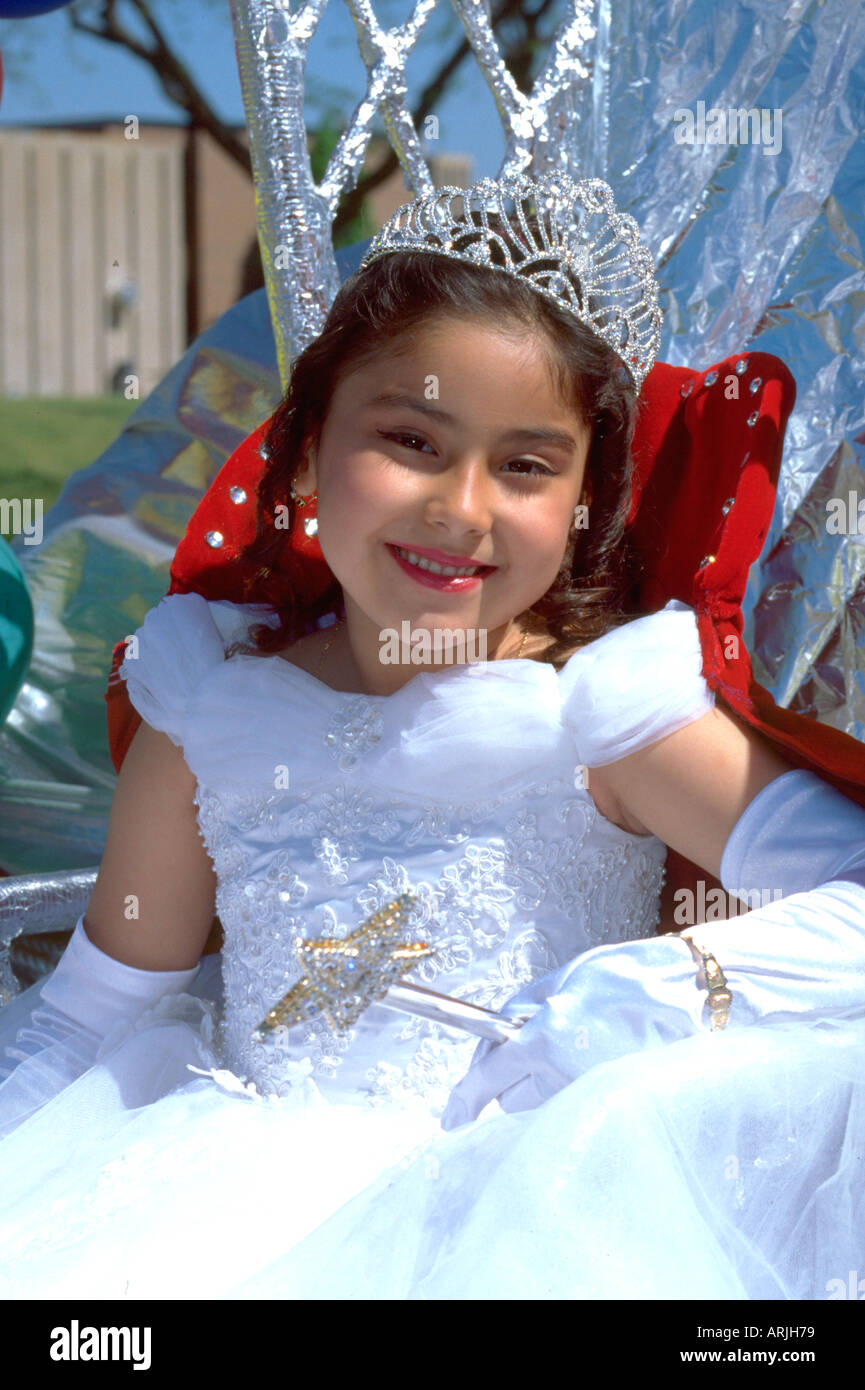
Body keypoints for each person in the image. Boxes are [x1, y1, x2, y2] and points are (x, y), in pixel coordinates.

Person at [0, 173, 863, 1300]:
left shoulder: (599, 718)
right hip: (218, 1214)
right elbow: (90, 1013)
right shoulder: (211, 706)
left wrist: (664, 988)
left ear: (585, 502)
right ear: (303, 453)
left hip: (522, 1227)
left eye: (526, 466)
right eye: (411, 439)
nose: (461, 508)